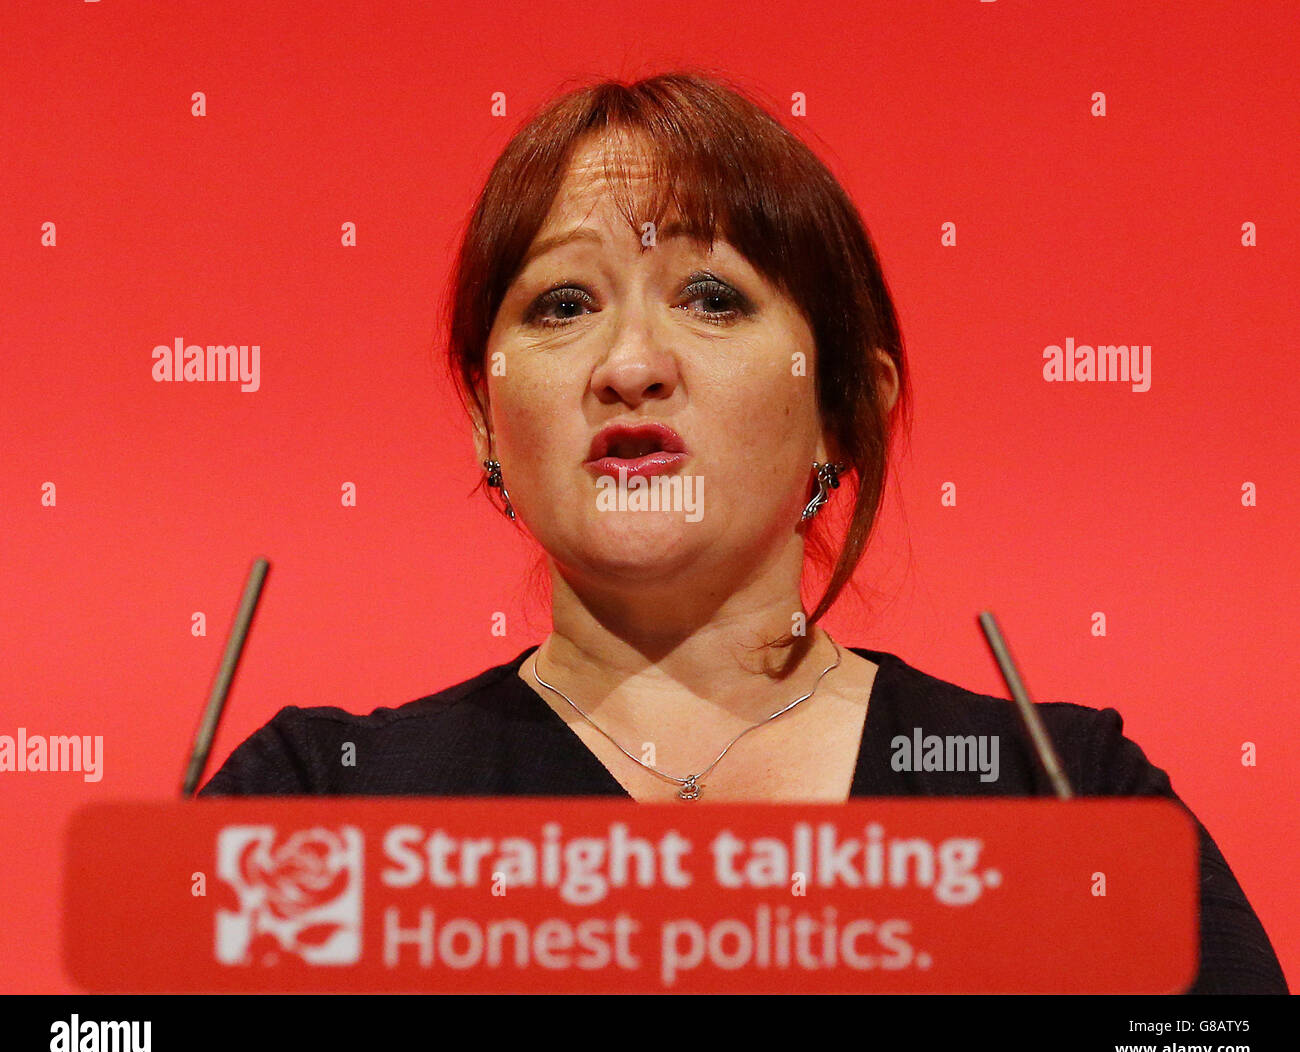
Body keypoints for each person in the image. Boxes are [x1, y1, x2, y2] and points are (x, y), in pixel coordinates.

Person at [199, 71, 1287, 994]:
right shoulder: (317, 802)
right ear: (487, 412)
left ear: (841, 407)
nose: (630, 365)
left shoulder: (1060, 796)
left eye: (711, 296)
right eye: (562, 304)